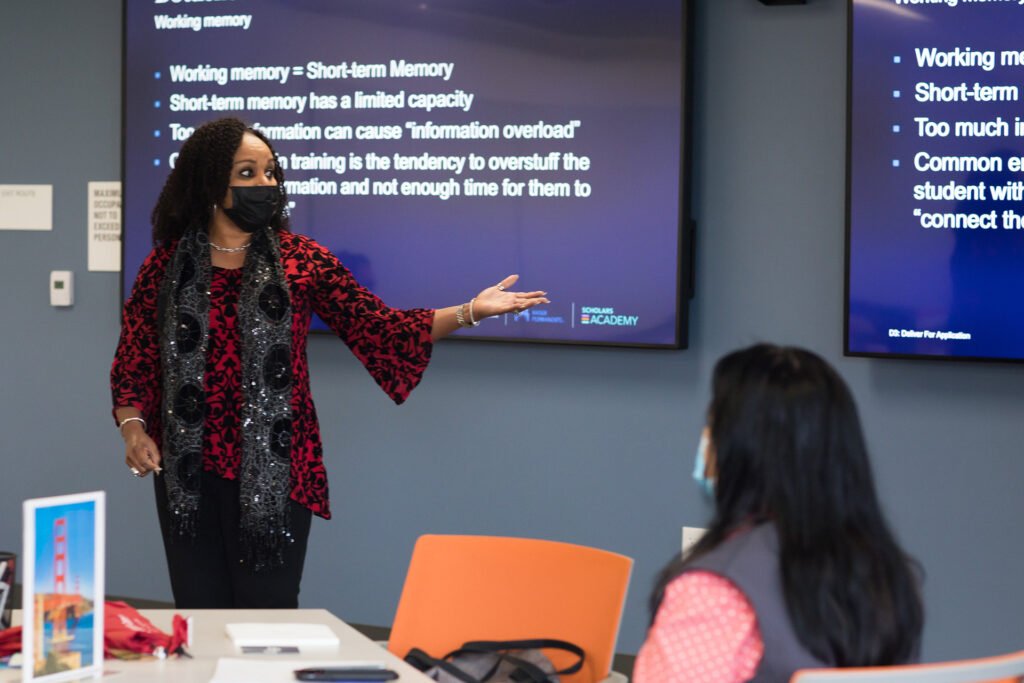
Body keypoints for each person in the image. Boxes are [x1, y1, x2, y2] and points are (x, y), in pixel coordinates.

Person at [111, 116, 548, 609]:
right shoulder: (164, 266)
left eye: (271, 173)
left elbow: (382, 328)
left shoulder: (304, 260)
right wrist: (132, 427)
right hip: (186, 470)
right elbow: (136, 358)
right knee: (200, 611)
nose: (266, 184)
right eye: (248, 173)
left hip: (278, 468)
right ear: (210, 182)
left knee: (265, 619)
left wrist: (471, 311)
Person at [634, 344, 923, 683]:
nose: (706, 443)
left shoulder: (714, 592)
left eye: (713, 428)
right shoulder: (888, 575)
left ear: (742, 452)